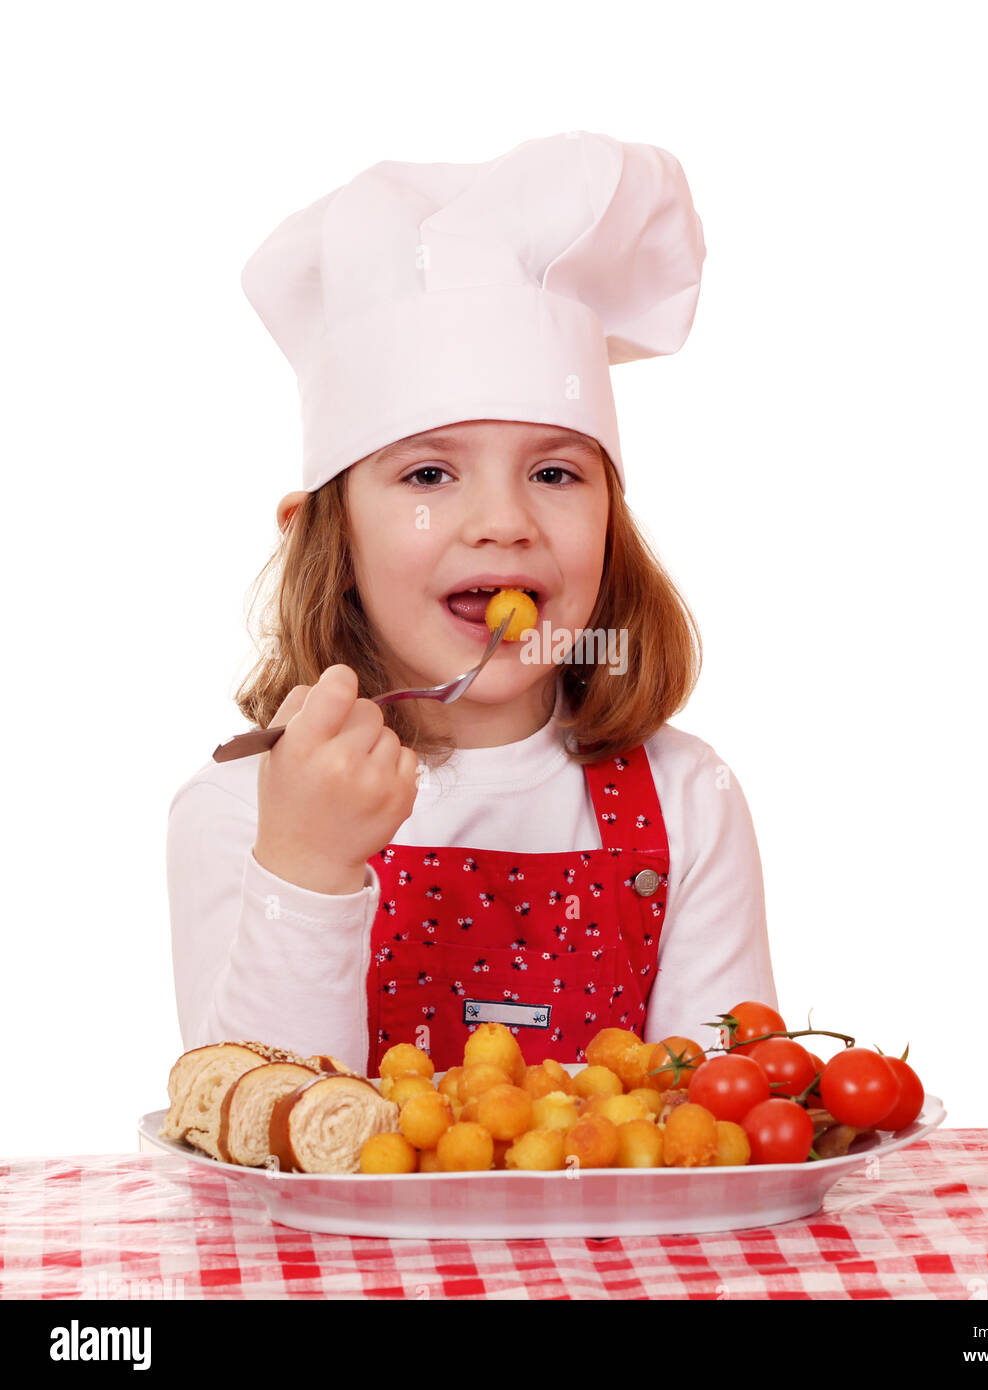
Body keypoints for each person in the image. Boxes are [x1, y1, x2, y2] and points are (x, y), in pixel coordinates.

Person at [167, 131, 777, 1075]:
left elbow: (726, 1124)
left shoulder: (690, 800)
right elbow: (257, 1134)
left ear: (613, 522)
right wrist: (308, 864)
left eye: (554, 471)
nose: (503, 521)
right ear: (324, 539)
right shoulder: (241, 808)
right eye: (428, 472)